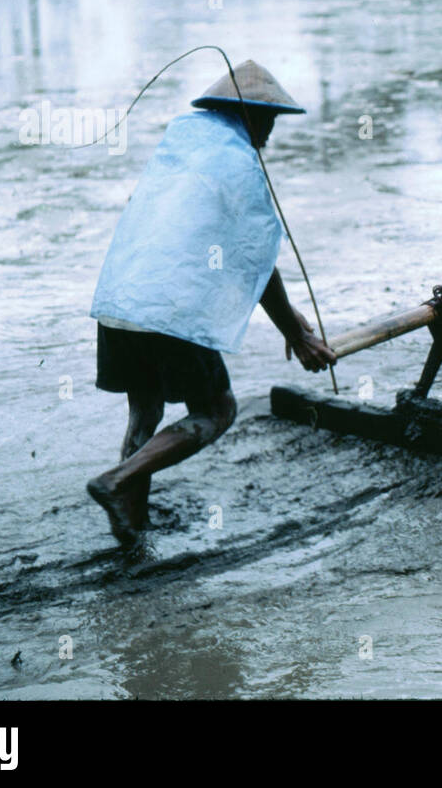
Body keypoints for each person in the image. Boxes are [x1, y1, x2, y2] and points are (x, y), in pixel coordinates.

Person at [87, 60, 336, 545]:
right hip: (172, 306)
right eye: (268, 119)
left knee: (145, 411)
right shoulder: (237, 162)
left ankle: (130, 527)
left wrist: (295, 326)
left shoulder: (181, 145)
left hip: (120, 297)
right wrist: (298, 334)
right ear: (248, 115)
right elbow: (254, 262)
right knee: (216, 410)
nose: (269, 131)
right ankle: (114, 482)